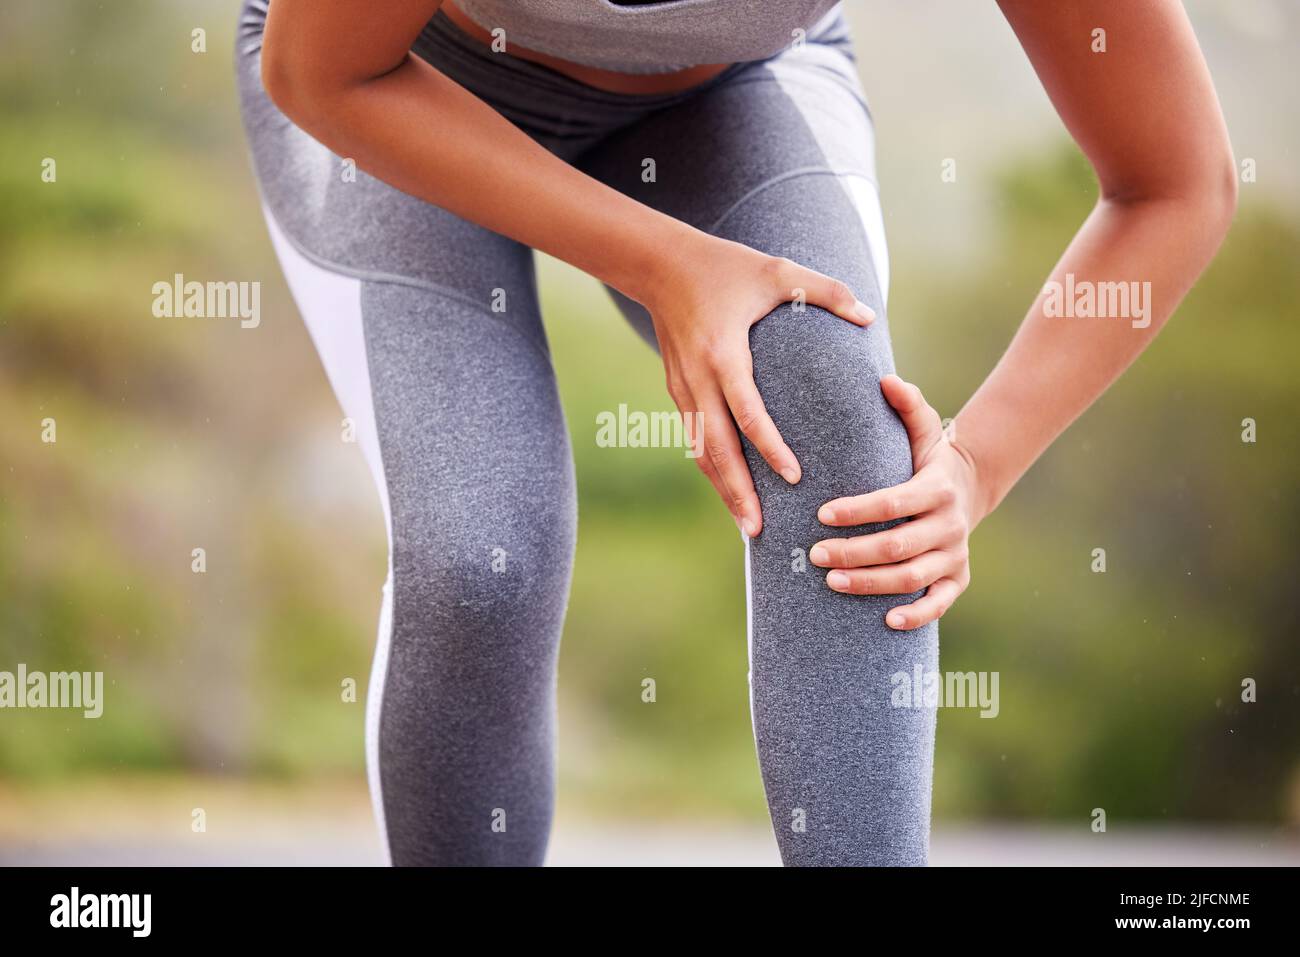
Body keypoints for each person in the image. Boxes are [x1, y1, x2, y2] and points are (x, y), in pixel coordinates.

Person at [234, 0, 1236, 866]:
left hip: (723, 94)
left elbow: (1173, 180)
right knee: (482, 557)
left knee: (846, 443)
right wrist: (668, 267)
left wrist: (972, 467)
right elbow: (322, 70)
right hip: (392, 81)